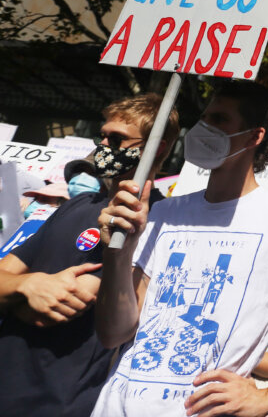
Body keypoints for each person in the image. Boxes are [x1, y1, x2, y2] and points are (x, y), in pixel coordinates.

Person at [92, 80, 268, 417]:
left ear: (255, 136)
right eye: (204, 118)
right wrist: (117, 253)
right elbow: (114, 334)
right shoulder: (162, 212)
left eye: (220, 120)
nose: (204, 129)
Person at [0, 93, 179, 417]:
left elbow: (67, 305)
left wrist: (18, 292)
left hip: (58, 402)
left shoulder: (165, 223)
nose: (104, 144)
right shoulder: (76, 206)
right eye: (103, 135)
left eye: (117, 138)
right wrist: (27, 286)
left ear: (159, 147)